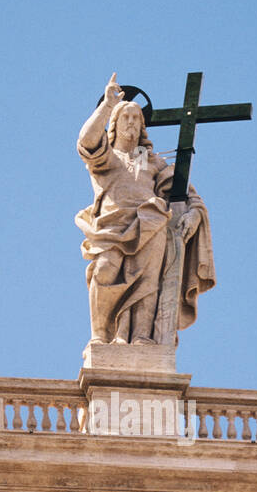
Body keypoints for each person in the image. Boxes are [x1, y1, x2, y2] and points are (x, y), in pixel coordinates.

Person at [75, 74, 214, 345]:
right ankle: (101, 336)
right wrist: (107, 105)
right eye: (125, 117)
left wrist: (194, 215)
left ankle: (141, 336)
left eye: (136, 119)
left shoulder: (150, 161)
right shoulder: (106, 156)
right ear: (113, 124)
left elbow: (187, 194)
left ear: (142, 127)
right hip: (111, 226)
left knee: (149, 283)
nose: (131, 122)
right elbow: (86, 141)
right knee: (103, 271)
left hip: (150, 224)